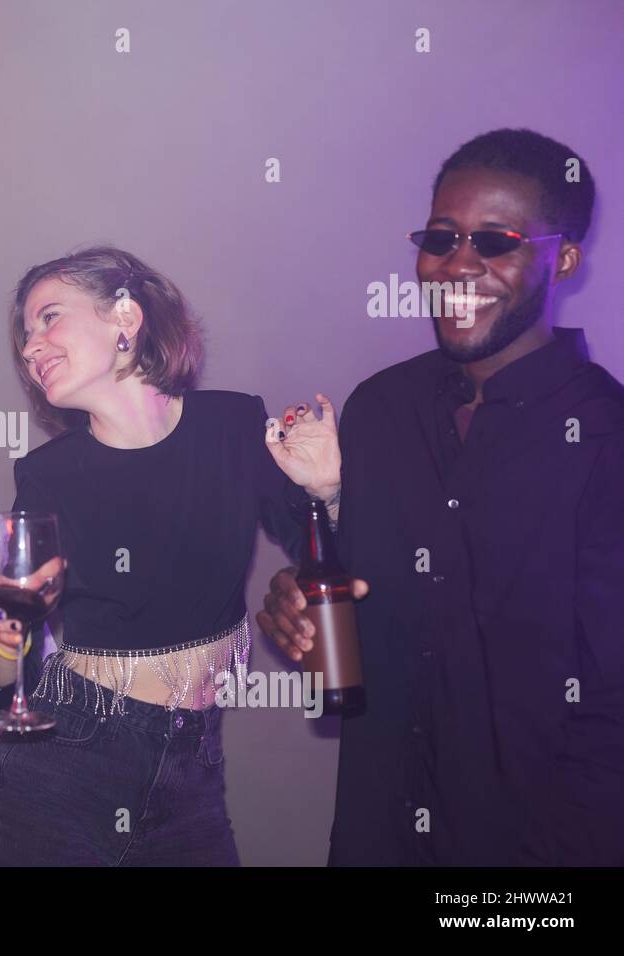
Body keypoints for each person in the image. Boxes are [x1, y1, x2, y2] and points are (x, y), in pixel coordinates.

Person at [257, 128, 624, 866]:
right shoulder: (381, 408)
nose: (459, 264)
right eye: (442, 237)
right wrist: (299, 599)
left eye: (497, 240)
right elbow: (358, 589)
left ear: (565, 258)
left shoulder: (606, 437)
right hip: (374, 834)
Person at [0, 246, 341, 865]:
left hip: (193, 761)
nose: (31, 348)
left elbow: (328, 565)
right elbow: (2, 687)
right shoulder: (47, 476)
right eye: (25, 337)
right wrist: (5, 637)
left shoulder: (234, 427)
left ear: (125, 317)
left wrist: (326, 494)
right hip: (67, 763)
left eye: (49, 318)